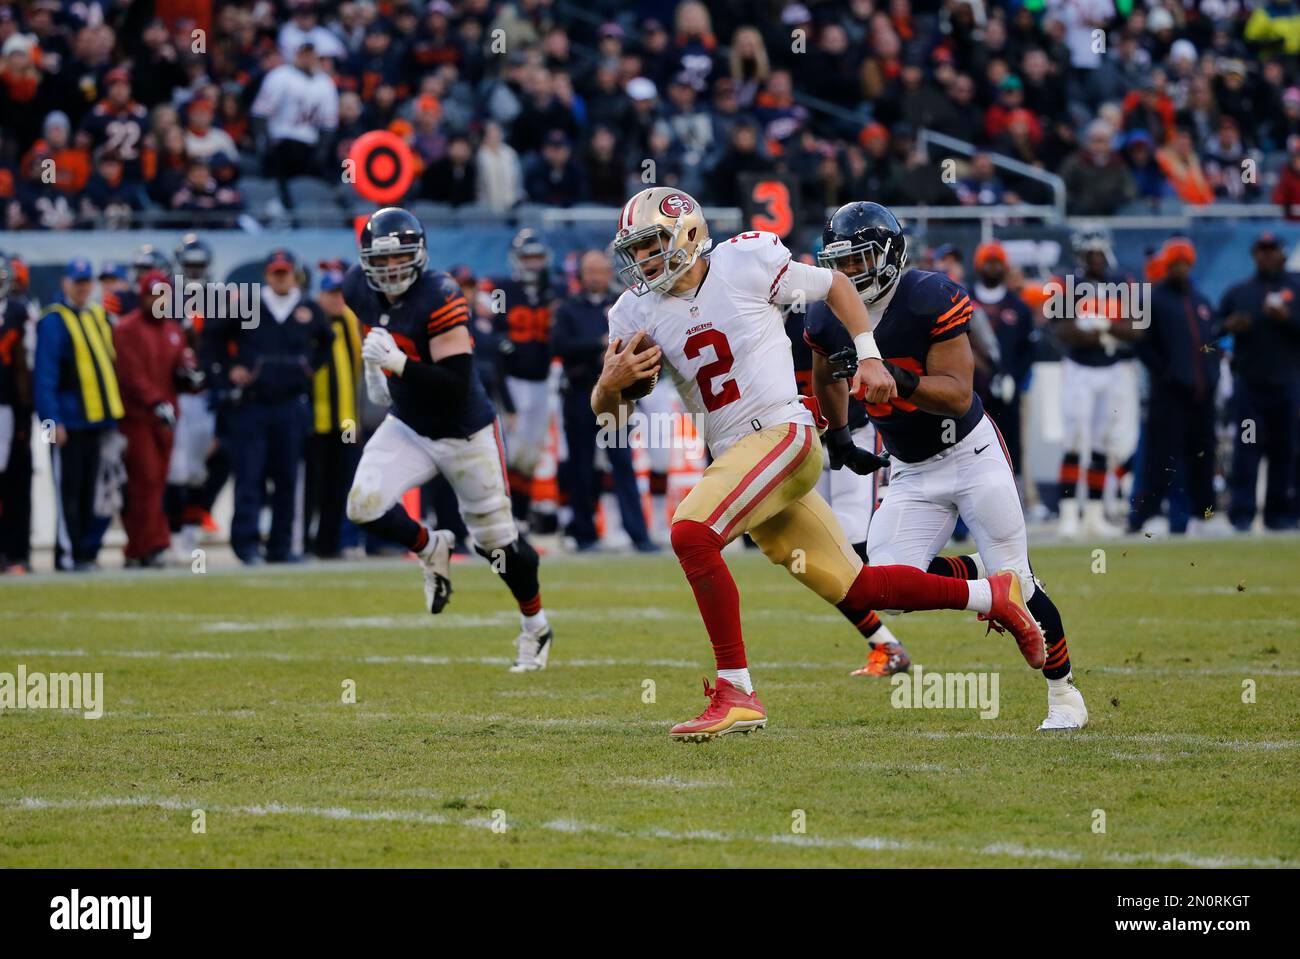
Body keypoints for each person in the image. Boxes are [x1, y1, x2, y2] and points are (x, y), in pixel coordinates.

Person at [596, 188, 1046, 741]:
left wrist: (870, 353)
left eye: (652, 244)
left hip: (782, 434)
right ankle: (993, 594)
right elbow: (611, 408)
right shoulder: (633, 310)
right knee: (861, 587)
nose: (642, 260)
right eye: (636, 249)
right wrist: (608, 387)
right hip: (739, 458)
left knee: (692, 533)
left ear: (688, 235)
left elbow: (834, 285)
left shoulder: (744, 259)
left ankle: (736, 691)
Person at [812, 201, 1087, 731]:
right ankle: (985, 580)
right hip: (911, 469)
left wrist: (898, 377)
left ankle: (1065, 695)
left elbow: (960, 396)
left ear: (890, 255)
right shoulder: (827, 312)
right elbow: (825, 376)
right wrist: (841, 436)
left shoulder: (926, 296)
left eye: (858, 261)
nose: (846, 275)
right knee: (882, 588)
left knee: (1023, 584)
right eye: (839, 264)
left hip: (970, 455)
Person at [343, 207, 554, 672]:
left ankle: (535, 626)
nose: (390, 271)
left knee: (495, 545)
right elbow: (374, 332)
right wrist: (375, 370)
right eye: (381, 262)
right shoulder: (357, 287)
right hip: (409, 423)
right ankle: (429, 546)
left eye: (399, 259)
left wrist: (396, 365)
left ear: (418, 256)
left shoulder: (439, 295)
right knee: (363, 505)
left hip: (464, 430)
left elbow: (456, 381)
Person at [208, 249, 332, 564]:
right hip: (253, 404)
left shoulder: (308, 308)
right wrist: (229, 369)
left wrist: (308, 368)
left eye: (285, 272)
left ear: (294, 275)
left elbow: (327, 342)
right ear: (267, 275)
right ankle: (246, 545)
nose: (280, 277)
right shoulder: (248, 305)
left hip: (291, 404)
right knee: (249, 477)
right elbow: (212, 339)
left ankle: (282, 546)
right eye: (275, 272)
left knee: (288, 480)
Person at [552, 249, 655, 552]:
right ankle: (584, 533)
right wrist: (600, 347)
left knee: (623, 462)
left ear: (609, 273)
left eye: (600, 270)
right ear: (581, 275)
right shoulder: (568, 308)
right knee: (581, 465)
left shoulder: (621, 306)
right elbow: (560, 346)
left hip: (616, 395)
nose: (596, 277)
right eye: (590, 271)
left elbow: (638, 338)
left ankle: (639, 535)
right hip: (581, 392)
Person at [1050, 226, 1142, 538]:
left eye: (1100, 252)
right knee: (1074, 442)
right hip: (1079, 369)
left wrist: (1106, 329)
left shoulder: (1121, 283)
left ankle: (1094, 515)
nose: (1096, 259)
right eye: (1090, 253)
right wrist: (1094, 334)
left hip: (1113, 370)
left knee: (1104, 442)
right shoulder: (1069, 285)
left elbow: (1137, 329)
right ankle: (1067, 515)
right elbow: (1061, 331)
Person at [33, 258, 123, 571]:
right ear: (65, 283)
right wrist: (51, 423)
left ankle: (86, 552)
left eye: (87, 281)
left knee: (95, 491)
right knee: (67, 490)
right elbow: (43, 379)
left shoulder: (98, 315)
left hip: (100, 420)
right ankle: (68, 553)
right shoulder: (52, 320)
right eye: (77, 281)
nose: (83, 287)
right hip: (67, 423)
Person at [1129, 238, 1220, 534]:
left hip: (1202, 394)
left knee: (1202, 456)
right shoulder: (1153, 299)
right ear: (1168, 265)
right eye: (1175, 262)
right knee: (1161, 457)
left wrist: (1212, 375)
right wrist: (1165, 374)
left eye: (1185, 262)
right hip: (1168, 394)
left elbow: (1212, 343)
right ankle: (1150, 516)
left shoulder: (1201, 300)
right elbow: (1142, 345)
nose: (1180, 267)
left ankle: (1202, 515)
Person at [113, 271, 199, 567]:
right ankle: (148, 545)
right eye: (152, 295)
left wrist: (190, 375)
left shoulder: (173, 330)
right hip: (138, 418)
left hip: (165, 418)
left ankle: (143, 546)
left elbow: (181, 367)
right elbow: (130, 376)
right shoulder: (126, 329)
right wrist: (156, 401)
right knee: (144, 480)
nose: (158, 301)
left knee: (158, 481)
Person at [481, 228, 559, 528]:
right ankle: (500, 519)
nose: (533, 263)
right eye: (528, 257)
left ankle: (521, 520)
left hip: (542, 381)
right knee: (507, 452)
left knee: (529, 454)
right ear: (517, 259)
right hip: (511, 381)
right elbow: (489, 328)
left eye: (537, 257)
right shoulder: (501, 289)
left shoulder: (552, 292)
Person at [1221, 232, 1300, 531]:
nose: (1266, 256)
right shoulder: (1240, 292)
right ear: (1254, 255)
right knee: (1247, 449)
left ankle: (1279, 515)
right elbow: (1212, 334)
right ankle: (1242, 514)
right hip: (1251, 389)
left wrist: (1287, 318)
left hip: (1288, 386)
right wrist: (1228, 327)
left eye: (1271, 250)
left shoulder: (1297, 288)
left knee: (1284, 450)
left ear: (1281, 253)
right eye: (1261, 251)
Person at [305, 267, 362, 558]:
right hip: (317, 420)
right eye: (331, 294)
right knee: (312, 486)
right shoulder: (311, 321)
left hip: (347, 420)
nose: (337, 299)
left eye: (341, 293)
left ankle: (329, 544)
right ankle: (303, 541)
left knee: (340, 485)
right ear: (321, 295)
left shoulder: (352, 322)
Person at [0, 253, 33, 573]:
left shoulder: (20, 314)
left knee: (16, 481)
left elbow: (28, 369)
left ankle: (17, 553)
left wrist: (27, 415)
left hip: (11, 409)